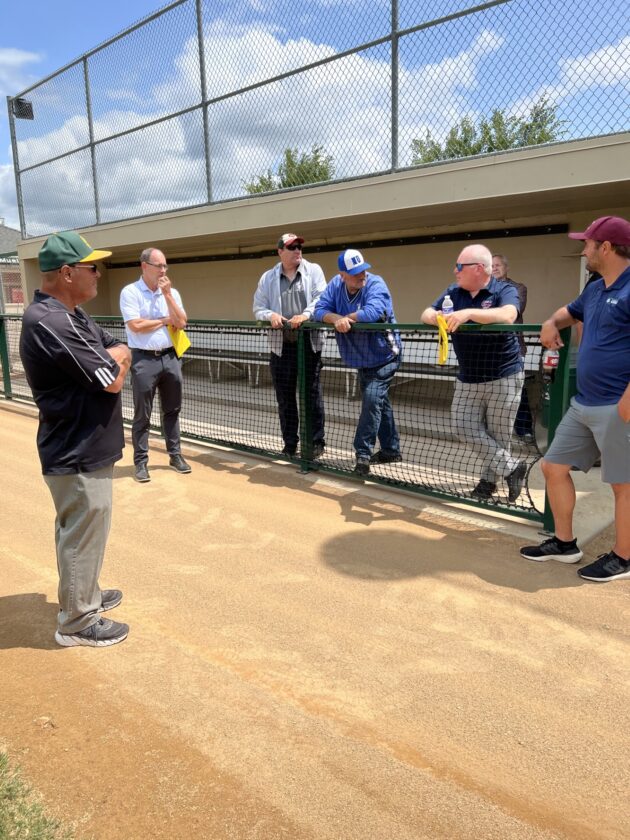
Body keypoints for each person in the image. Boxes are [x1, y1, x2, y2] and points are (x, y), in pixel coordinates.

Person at [19, 231, 131, 647]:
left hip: (86, 444)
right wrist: (117, 358)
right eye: (90, 267)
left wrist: (116, 355)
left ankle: (86, 594)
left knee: (85, 528)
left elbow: (115, 347)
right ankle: (78, 621)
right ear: (66, 273)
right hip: (75, 448)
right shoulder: (50, 320)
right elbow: (113, 378)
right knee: (81, 530)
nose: (98, 273)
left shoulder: (71, 313)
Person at [520, 216, 630, 582]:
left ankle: (624, 558)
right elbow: (568, 313)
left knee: (623, 484)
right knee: (553, 467)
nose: (583, 250)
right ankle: (565, 544)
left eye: (588, 243)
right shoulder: (595, 288)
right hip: (585, 402)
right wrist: (552, 322)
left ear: (607, 248)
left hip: (618, 403)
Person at [421, 244, 526, 503]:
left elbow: (508, 315)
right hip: (468, 375)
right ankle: (512, 468)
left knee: (499, 434)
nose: (455, 271)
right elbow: (425, 313)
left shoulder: (504, 289)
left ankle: (488, 483)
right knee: (462, 426)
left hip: (503, 375)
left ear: (478, 269)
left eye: (460, 266)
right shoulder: (453, 292)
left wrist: (468, 313)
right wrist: (439, 318)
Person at [313, 249, 401, 476]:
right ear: (342, 275)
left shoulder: (376, 284)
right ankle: (391, 450)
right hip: (361, 358)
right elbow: (319, 310)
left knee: (372, 400)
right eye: (355, 273)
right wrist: (335, 319)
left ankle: (362, 455)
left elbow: (372, 312)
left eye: (363, 270)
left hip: (385, 355)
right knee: (379, 402)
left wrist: (347, 318)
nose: (361, 276)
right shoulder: (335, 285)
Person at [253, 233, 326, 457]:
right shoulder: (268, 277)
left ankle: (315, 443)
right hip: (281, 347)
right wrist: (271, 315)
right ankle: (290, 443)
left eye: (299, 246)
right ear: (280, 252)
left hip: (308, 344)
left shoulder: (314, 270)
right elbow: (258, 308)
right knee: (285, 397)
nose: (297, 250)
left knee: (311, 395)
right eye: (291, 247)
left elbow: (321, 299)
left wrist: (305, 315)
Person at [120, 248, 190, 482]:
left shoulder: (172, 293)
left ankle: (175, 455)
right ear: (144, 266)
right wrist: (164, 320)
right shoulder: (130, 292)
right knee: (143, 414)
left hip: (170, 357)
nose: (162, 270)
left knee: (172, 410)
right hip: (143, 359)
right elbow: (136, 326)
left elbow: (181, 322)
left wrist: (168, 295)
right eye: (158, 265)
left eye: (165, 266)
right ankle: (141, 462)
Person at [492, 253, 535, 443]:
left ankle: (523, 428)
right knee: (491, 389)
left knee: (518, 390)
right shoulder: (481, 290)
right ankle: (491, 428)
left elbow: (513, 310)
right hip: (488, 349)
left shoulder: (518, 288)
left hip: (513, 348)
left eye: (498, 265)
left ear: (506, 268)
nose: (494, 268)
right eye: (491, 266)